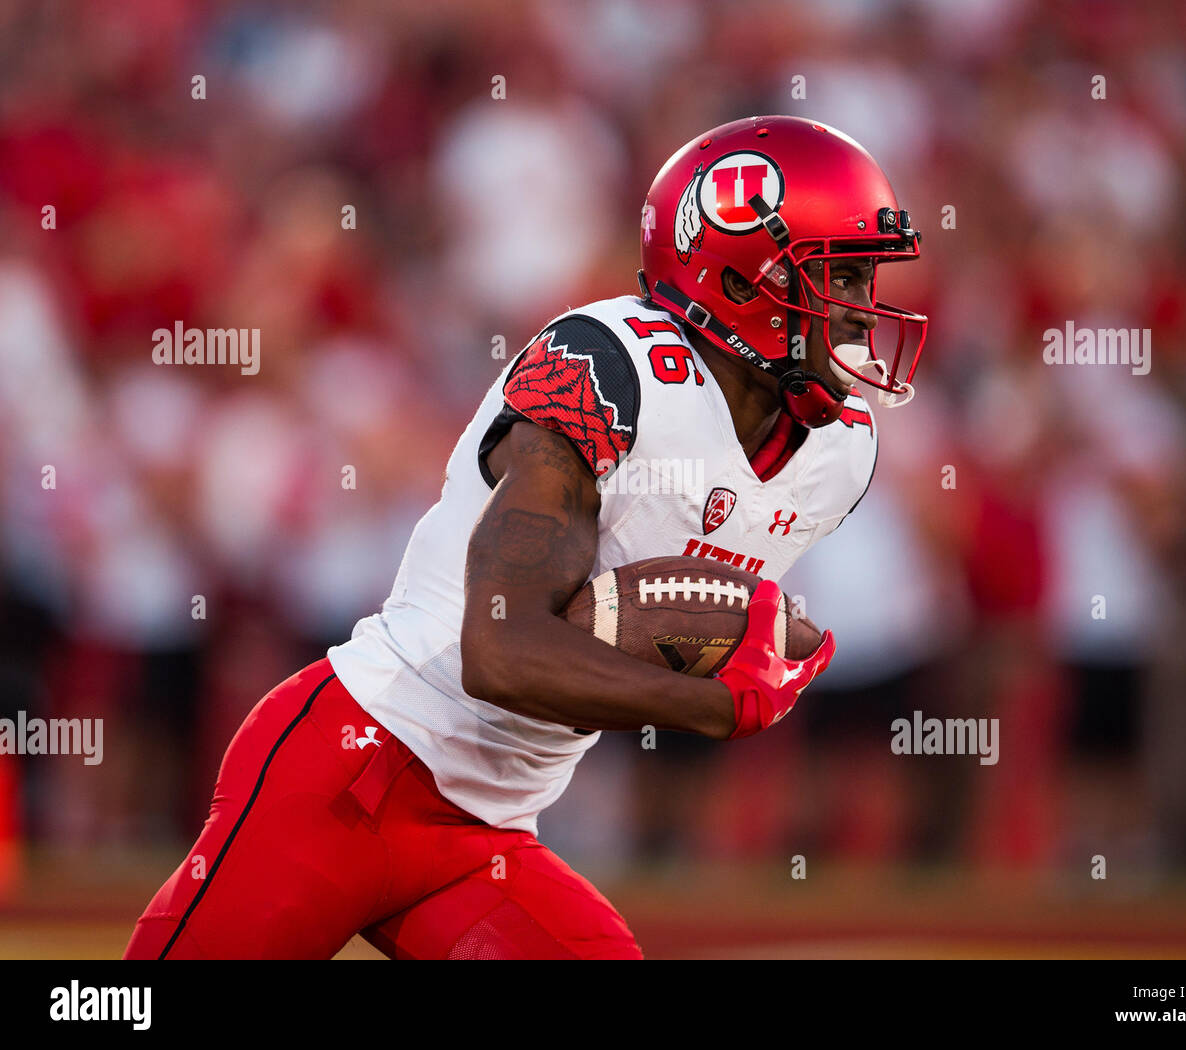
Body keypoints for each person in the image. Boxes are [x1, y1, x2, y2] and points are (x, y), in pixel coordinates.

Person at [123, 115, 928, 959]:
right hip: (354, 769)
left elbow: (632, 620)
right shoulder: (603, 367)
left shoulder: (840, 451)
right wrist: (716, 704)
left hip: (488, 829)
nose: (862, 311)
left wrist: (736, 646)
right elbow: (501, 652)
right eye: (841, 276)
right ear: (739, 277)